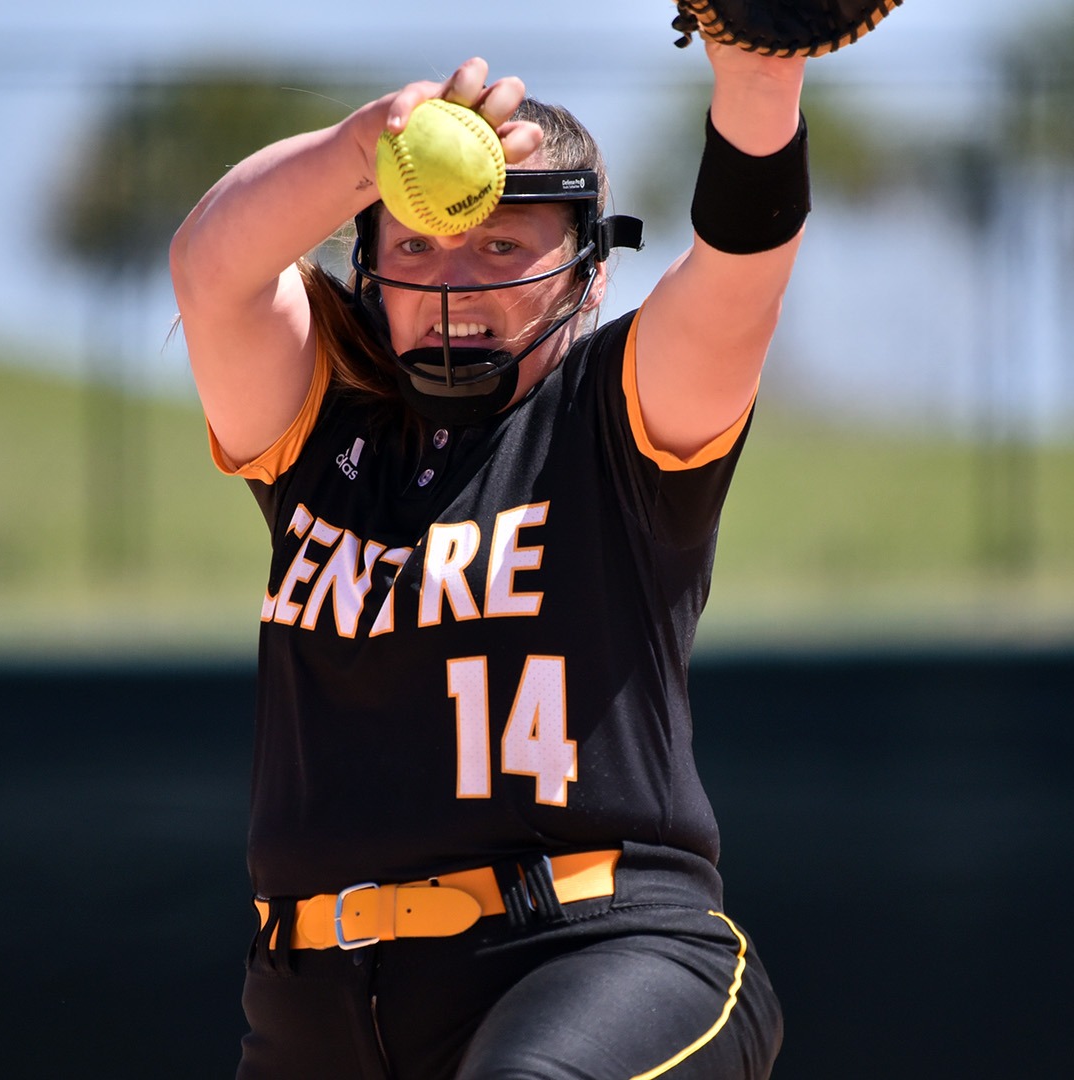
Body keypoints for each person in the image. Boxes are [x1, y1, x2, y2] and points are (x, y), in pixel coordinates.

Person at [171, 38, 810, 1080]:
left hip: (593, 953)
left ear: (588, 273)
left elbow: (743, 273)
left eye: (501, 247)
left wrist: (761, 83)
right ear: (371, 266)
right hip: (314, 999)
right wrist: (361, 147)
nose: (452, 281)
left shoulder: (615, 411)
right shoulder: (322, 433)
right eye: (417, 245)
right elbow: (212, 269)